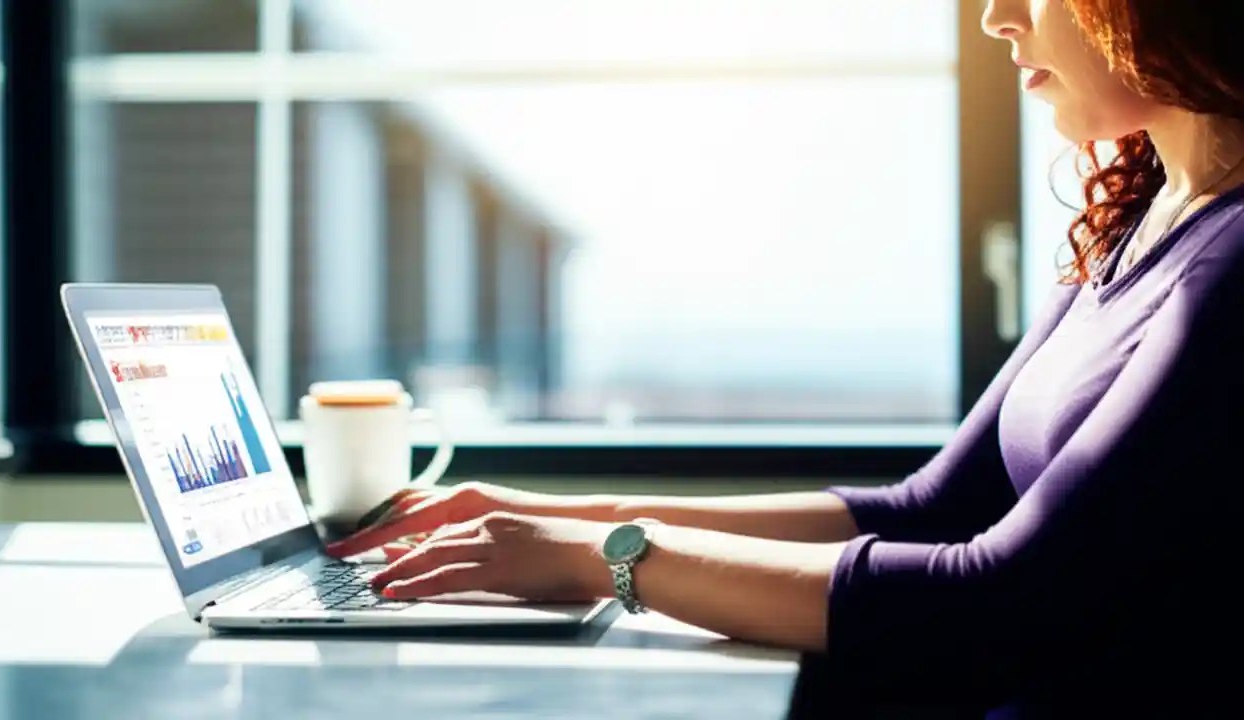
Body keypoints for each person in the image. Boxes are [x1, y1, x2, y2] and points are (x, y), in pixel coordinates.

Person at [327, 0, 1243, 712]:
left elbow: (998, 603)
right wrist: (539, 512)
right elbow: (935, 508)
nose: (996, 16)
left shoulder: (1233, 262)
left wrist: (599, 556)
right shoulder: (1145, 218)